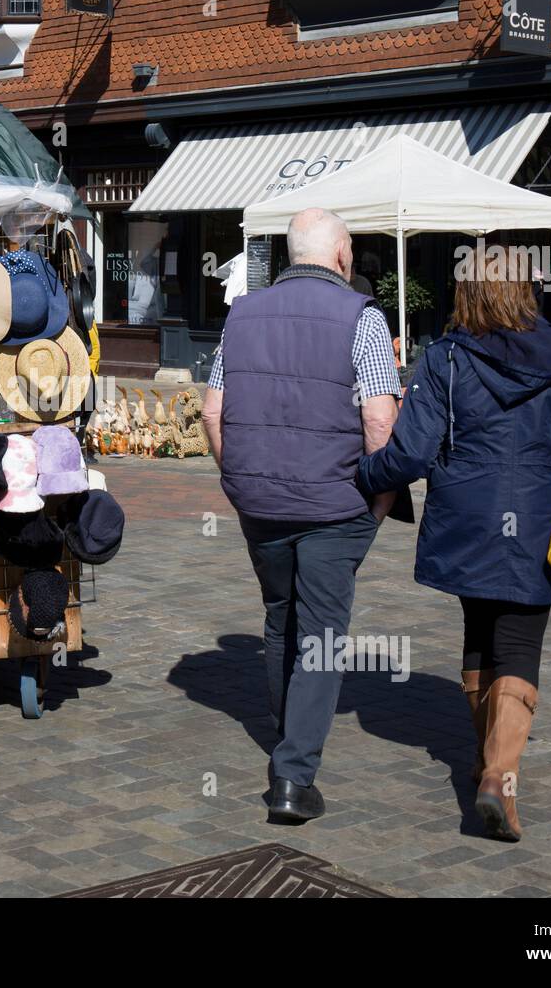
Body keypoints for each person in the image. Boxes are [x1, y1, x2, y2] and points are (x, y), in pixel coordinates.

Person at [358, 252, 551, 842]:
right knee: (520, 642)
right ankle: (498, 778)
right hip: (532, 524)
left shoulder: (444, 359)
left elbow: (411, 454)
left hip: (464, 521)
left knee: (481, 633)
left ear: (467, 294)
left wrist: (362, 475)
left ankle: (484, 766)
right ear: (526, 290)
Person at [201, 208, 401, 824]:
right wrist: (379, 504)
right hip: (334, 504)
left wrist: (238, 480)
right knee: (321, 635)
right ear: (342, 255)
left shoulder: (240, 317)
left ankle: (288, 734)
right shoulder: (363, 320)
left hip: (259, 502)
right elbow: (380, 423)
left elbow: (212, 412)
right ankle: (292, 776)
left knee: (279, 615)